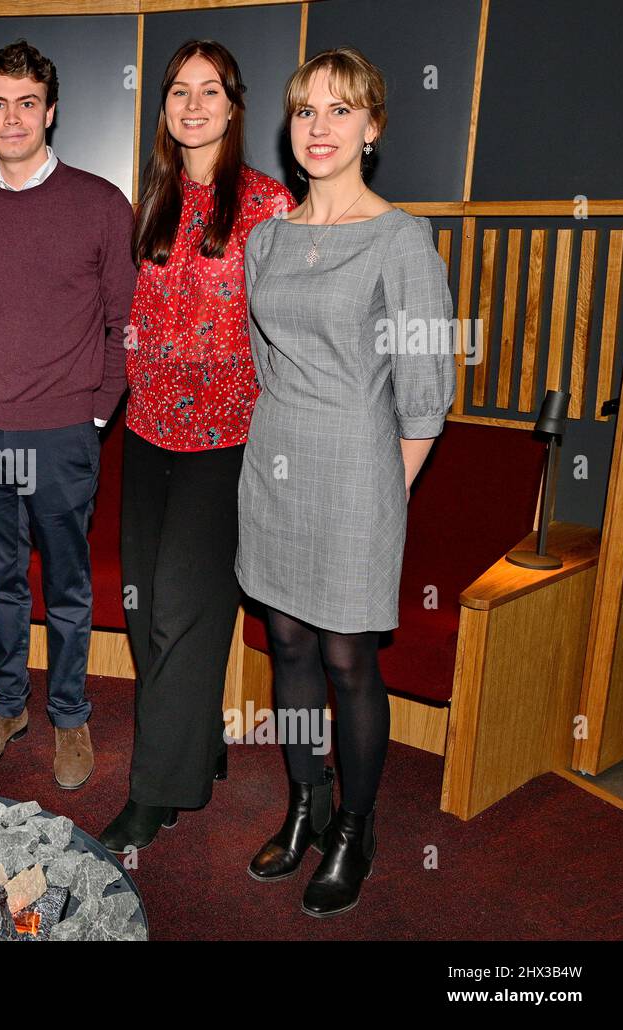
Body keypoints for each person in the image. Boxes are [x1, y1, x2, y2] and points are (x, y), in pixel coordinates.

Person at [237, 46, 456, 916]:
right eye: (305, 111)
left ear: (372, 128)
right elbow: (264, 360)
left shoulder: (402, 239)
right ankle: (304, 805)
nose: (320, 128)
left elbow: (428, 392)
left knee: (347, 658)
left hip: (361, 470)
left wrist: (384, 495)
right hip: (275, 463)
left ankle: (353, 829)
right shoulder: (267, 238)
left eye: (340, 110)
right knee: (286, 645)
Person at [98, 40, 294, 853]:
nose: (192, 104)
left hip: (229, 441)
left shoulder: (268, 202)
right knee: (143, 612)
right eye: (179, 90)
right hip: (145, 434)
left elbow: (296, 327)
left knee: (183, 610)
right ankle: (200, 739)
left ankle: (157, 794)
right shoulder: (149, 200)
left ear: (234, 103)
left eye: (209, 90)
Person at [0, 41, 136, 790]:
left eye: (27, 103)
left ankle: (68, 714)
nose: (12, 117)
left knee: (65, 586)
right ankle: (4, 707)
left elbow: (127, 324)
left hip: (64, 432)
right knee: (0, 582)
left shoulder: (100, 203)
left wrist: (95, 415)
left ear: (51, 112)